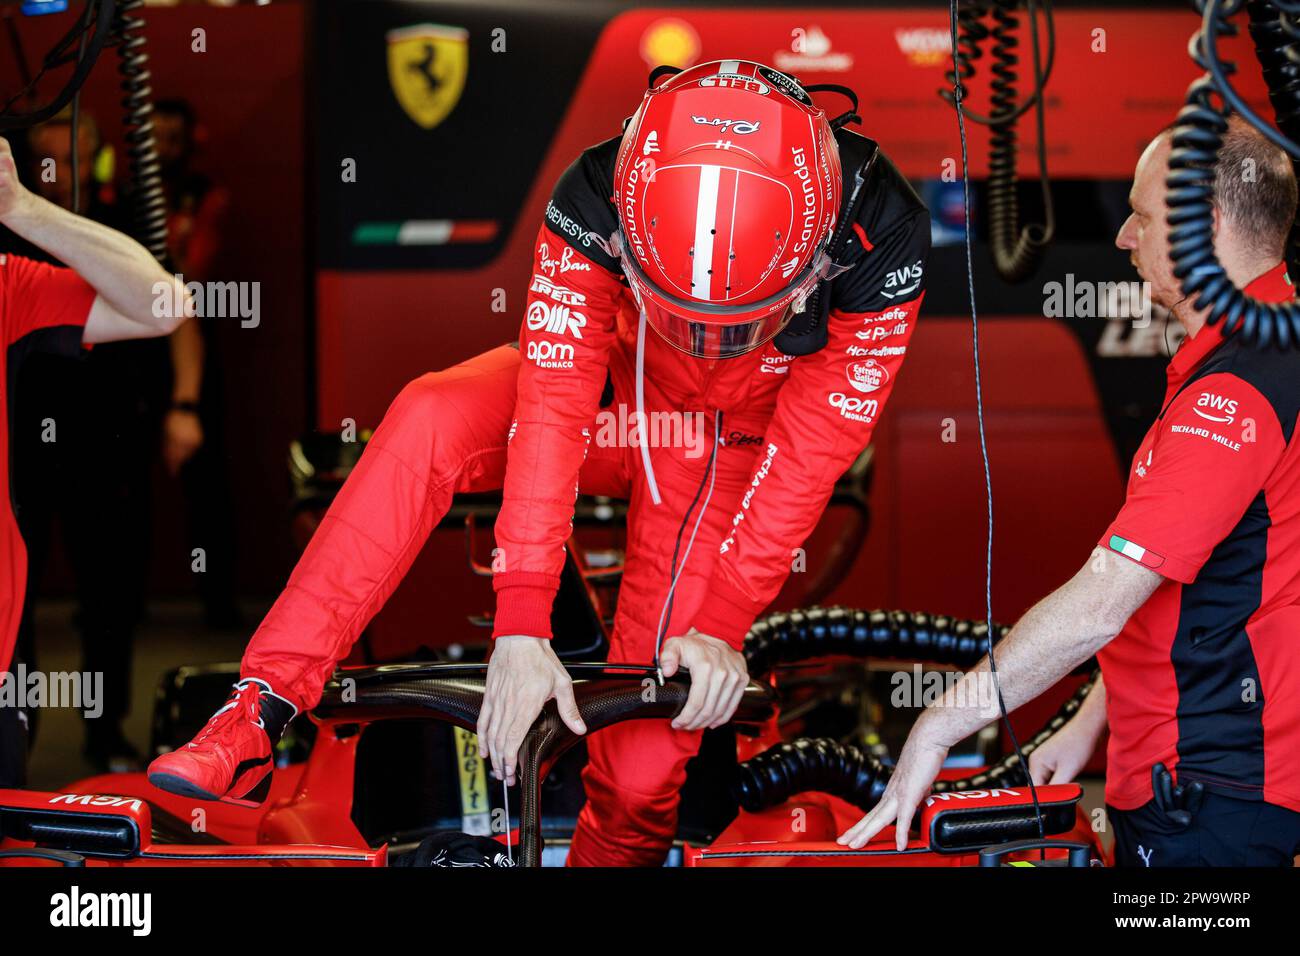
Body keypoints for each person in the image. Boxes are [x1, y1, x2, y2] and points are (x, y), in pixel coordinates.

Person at [147, 60, 931, 866]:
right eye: (686, 317)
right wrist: (521, 623)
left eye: (735, 323)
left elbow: (811, 453)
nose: (706, 339)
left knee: (639, 772)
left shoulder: (883, 231)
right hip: (611, 392)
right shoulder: (594, 193)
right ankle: (256, 712)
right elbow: (554, 407)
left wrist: (721, 629)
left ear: (814, 268)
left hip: (732, 447)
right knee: (430, 411)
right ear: (627, 242)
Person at [838, 117, 1300, 867]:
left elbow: (1106, 596)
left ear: (1203, 226)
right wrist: (1090, 723)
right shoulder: (1261, 352)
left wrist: (938, 723)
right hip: (1198, 781)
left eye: (1143, 216)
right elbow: (1189, 589)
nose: (1123, 238)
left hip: (1215, 795)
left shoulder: (1242, 389)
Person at [4, 109, 206, 773]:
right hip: (27, 442)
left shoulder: (66, 241)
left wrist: (24, 208)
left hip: (104, 432)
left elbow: (170, 309)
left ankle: (103, 731)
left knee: (110, 590)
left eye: (69, 156)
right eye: (46, 158)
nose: (57, 169)